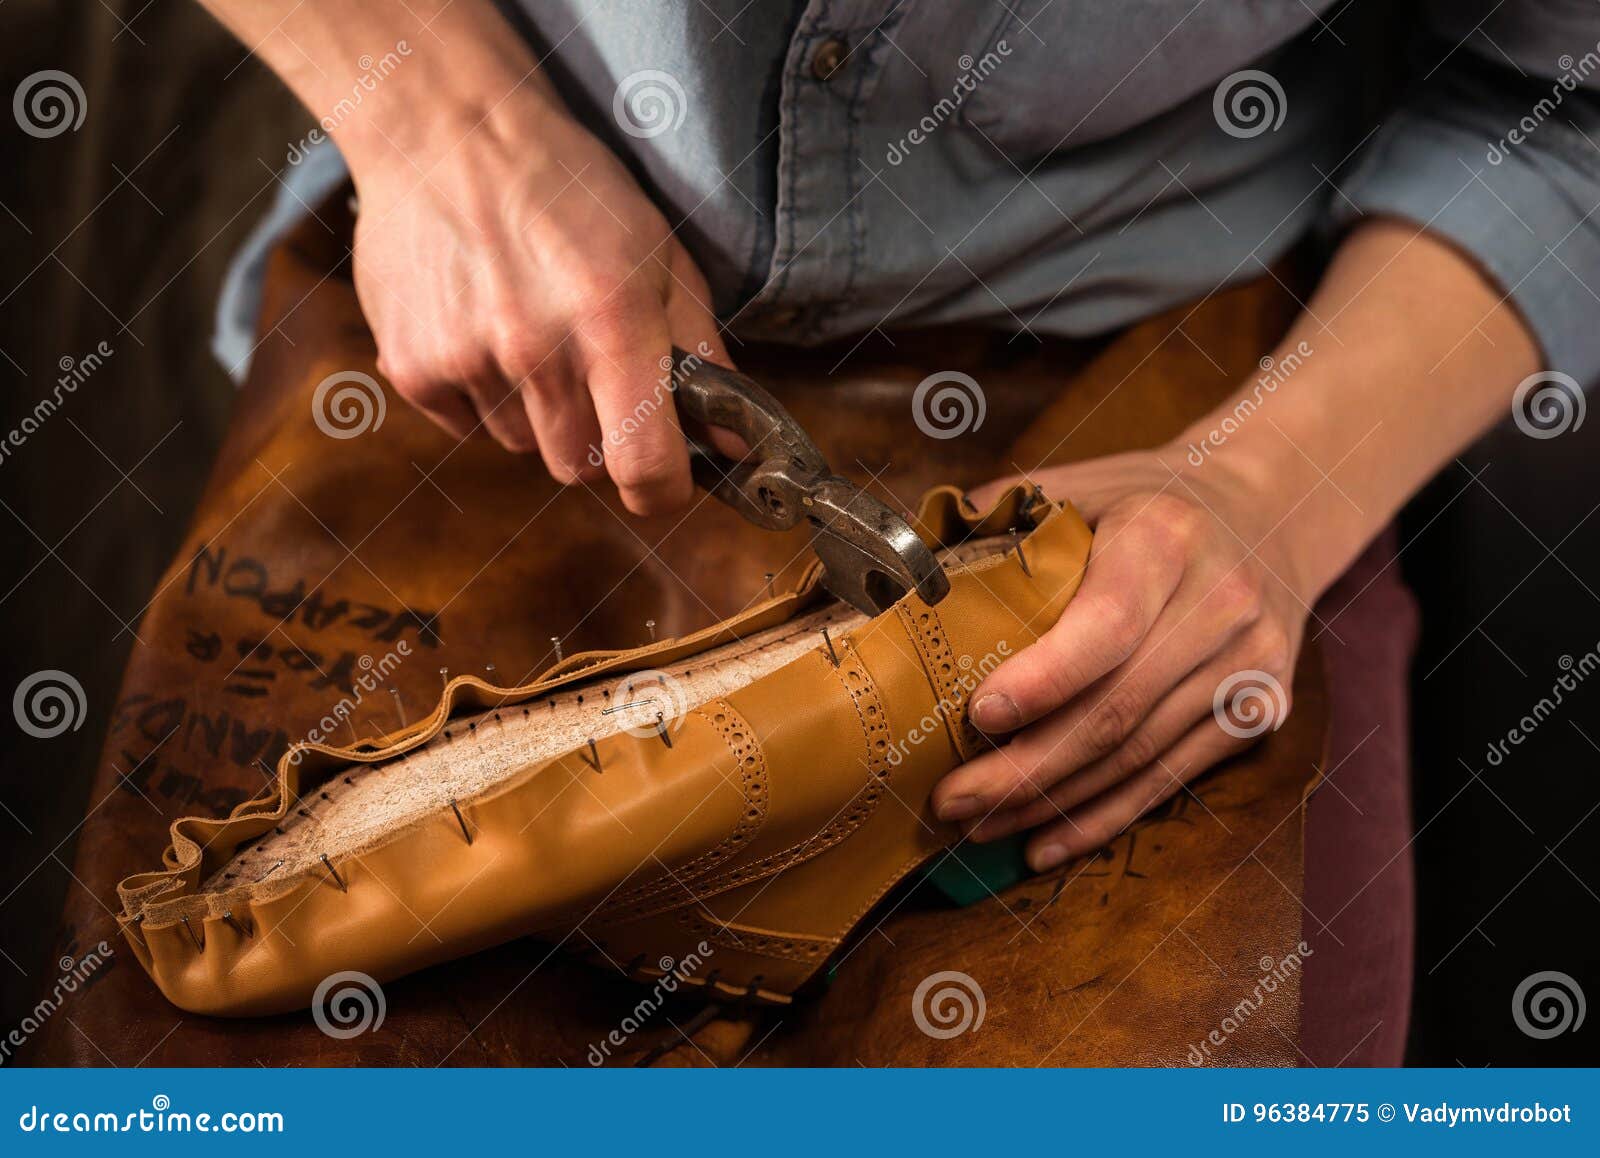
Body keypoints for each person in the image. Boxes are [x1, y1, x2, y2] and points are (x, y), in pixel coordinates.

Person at [198, 0, 1598, 1060]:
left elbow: (1564, 105)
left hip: (1186, 412)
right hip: (481, 323)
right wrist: (445, 122)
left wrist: (1275, 487)